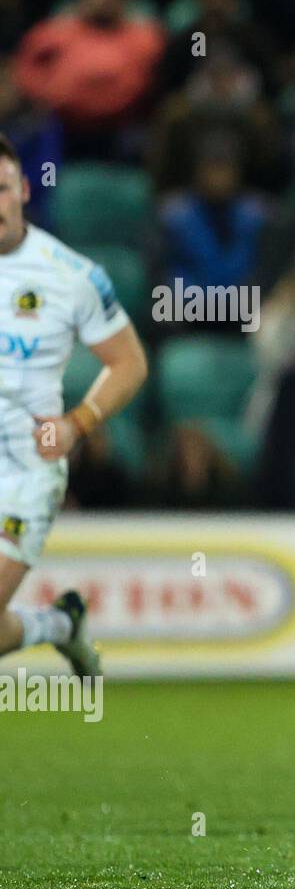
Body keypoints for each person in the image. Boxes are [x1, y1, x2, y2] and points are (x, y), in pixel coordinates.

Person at [0, 133, 148, 673]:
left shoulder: (71, 276)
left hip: (25, 469)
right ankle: (60, 623)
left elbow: (129, 363)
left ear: (24, 192)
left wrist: (78, 422)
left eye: (1, 189)